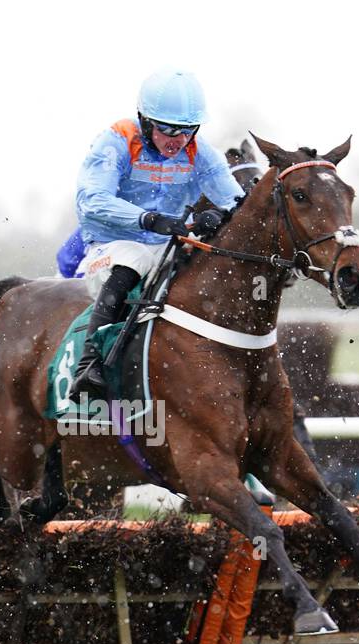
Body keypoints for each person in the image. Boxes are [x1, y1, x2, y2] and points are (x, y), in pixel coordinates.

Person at [66, 69, 244, 402]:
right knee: (133, 259)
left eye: (187, 130)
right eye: (166, 129)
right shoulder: (116, 141)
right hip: (110, 245)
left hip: (166, 246)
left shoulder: (200, 151)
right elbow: (91, 200)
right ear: (145, 121)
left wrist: (219, 215)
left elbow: (236, 201)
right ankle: (89, 365)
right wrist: (147, 219)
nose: (177, 139)